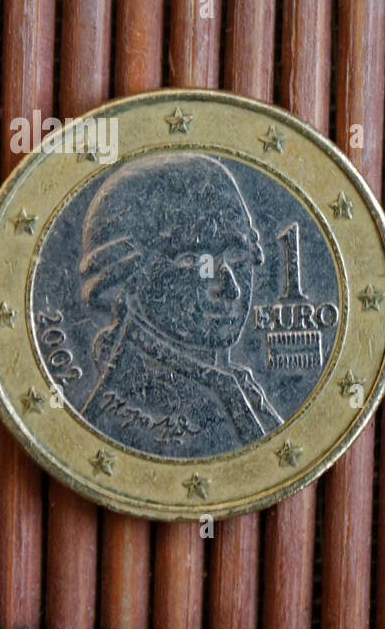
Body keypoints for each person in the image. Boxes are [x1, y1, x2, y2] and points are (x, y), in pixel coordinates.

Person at [76, 152, 283, 458]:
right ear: (127, 276)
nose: (232, 289)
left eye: (237, 256)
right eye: (192, 260)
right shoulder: (109, 426)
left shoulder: (237, 387)